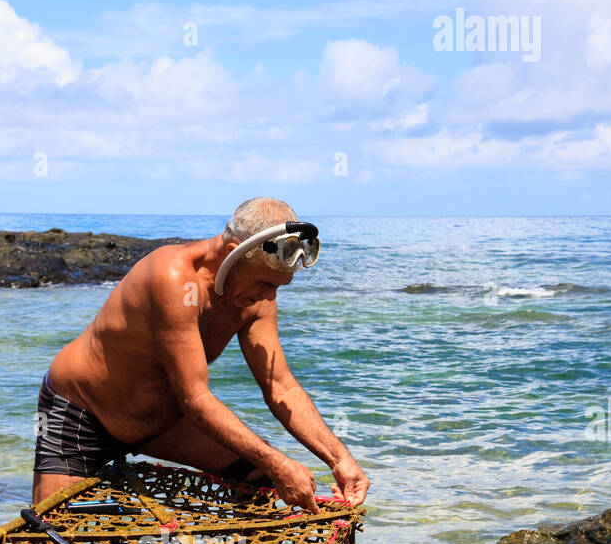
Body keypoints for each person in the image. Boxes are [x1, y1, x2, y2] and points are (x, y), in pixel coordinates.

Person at [32, 197, 370, 514]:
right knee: (52, 534)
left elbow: (281, 387)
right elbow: (195, 398)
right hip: (83, 414)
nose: (269, 297)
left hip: (162, 423)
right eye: (266, 284)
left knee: (259, 478)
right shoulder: (174, 277)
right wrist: (277, 461)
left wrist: (339, 459)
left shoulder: (257, 299)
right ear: (234, 254)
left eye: (279, 287)